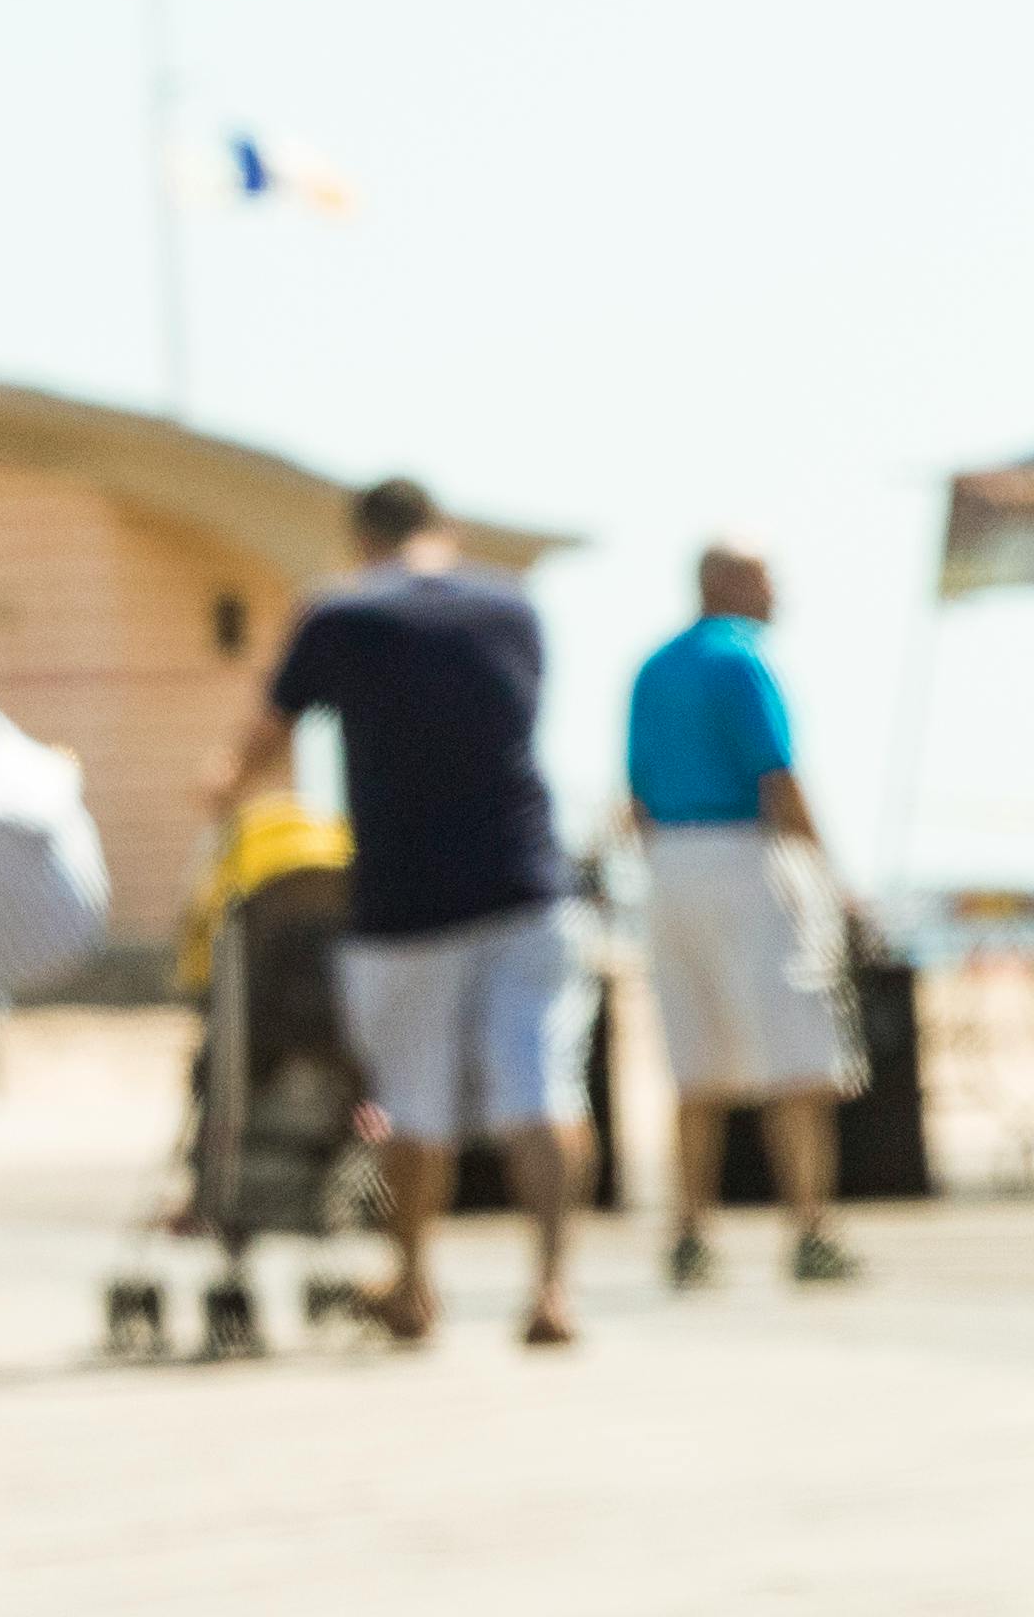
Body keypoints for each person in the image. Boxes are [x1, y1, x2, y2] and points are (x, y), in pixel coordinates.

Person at [217, 476, 587, 1345]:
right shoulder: (512, 611)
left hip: (403, 896)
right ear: (444, 529)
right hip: (525, 881)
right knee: (540, 1089)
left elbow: (266, 740)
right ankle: (551, 1291)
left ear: (360, 538)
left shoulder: (339, 617)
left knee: (412, 1106)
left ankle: (415, 1287)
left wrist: (220, 793)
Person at [627, 541, 867, 1289]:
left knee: (695, 1062)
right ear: (729, 582)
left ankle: (691, 1234)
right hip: (745, 861)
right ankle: (811, 1229)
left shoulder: (653, 668)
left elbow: (632, 794)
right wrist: (836, 881)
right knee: (795, 1059)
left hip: (668, 868)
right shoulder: (742, 660)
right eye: (769, 578)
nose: (779, 593)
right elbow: (779, 778)